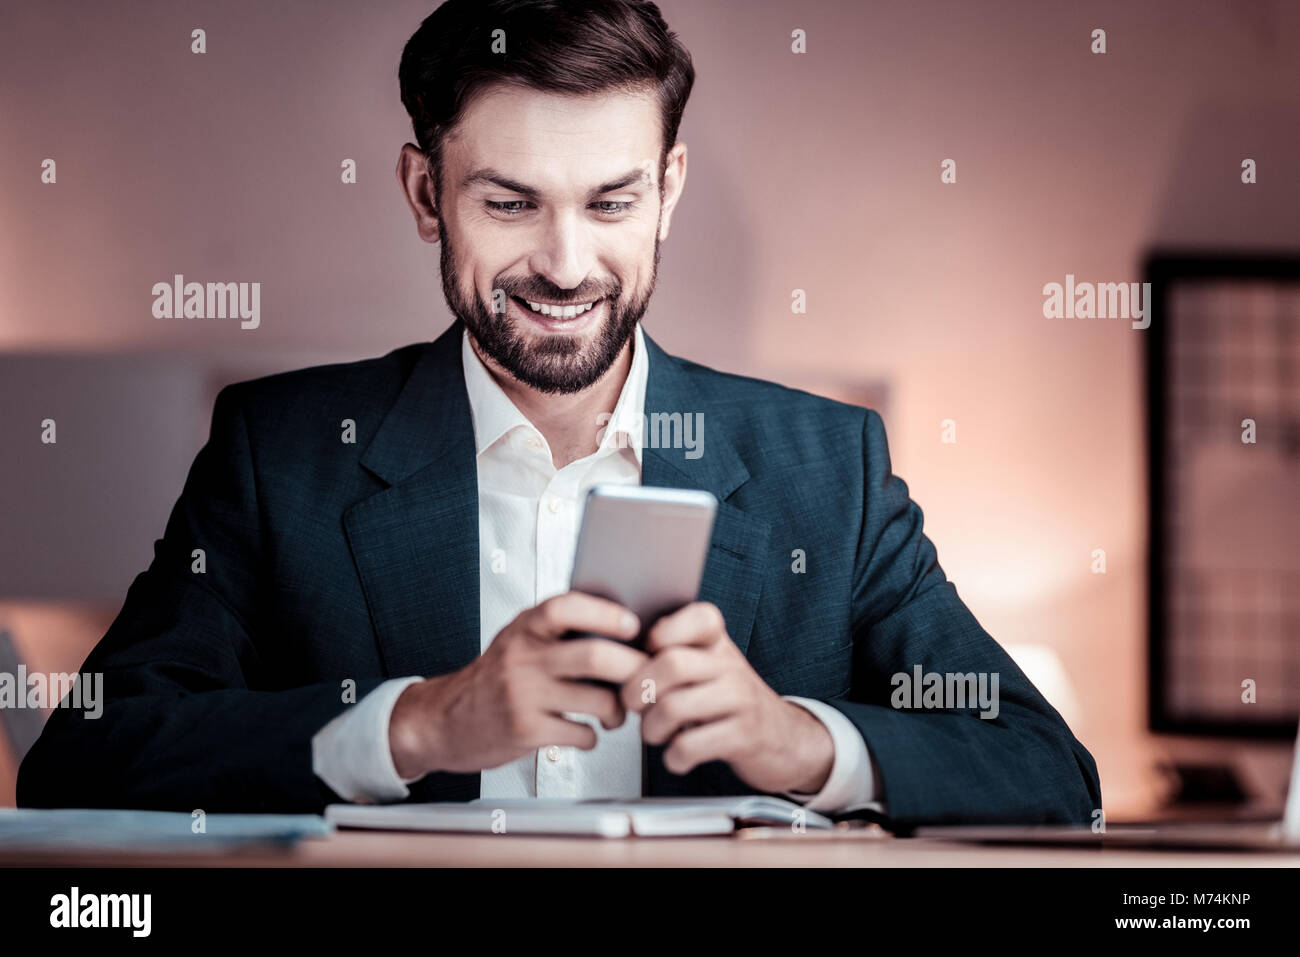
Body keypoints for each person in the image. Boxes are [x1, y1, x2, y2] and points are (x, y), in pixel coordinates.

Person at [19, 0, 1101, 825]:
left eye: (612, 202)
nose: (565, 264)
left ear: (668, 190)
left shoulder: (830, 467)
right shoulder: (280, 453)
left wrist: (798, 744)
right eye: (508, 202)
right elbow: (81, 758)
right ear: (421, 193)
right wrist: (416, 725)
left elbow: (1048, 771)